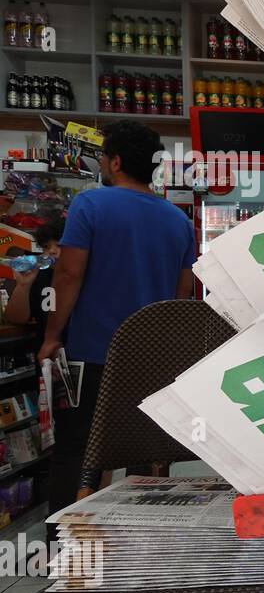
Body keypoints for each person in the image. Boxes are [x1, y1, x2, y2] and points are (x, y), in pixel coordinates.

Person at [39, 120, 196, 512]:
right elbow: (183, 292)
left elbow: (70, 273)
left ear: (116, 162)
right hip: (151, 357)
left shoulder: (90, 205)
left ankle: (64, 540)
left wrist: (52, 335)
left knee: (78, 447)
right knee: (145, 449)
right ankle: (140, 536)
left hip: (93, 352)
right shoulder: (178, 220)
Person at [1, 218, 64, 339]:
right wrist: (23, 286)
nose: (52, 251)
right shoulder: (39, 276)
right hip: (47, 354)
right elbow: (16, 319)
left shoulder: (89, 276)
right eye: (46, 246)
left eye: (60, 245)